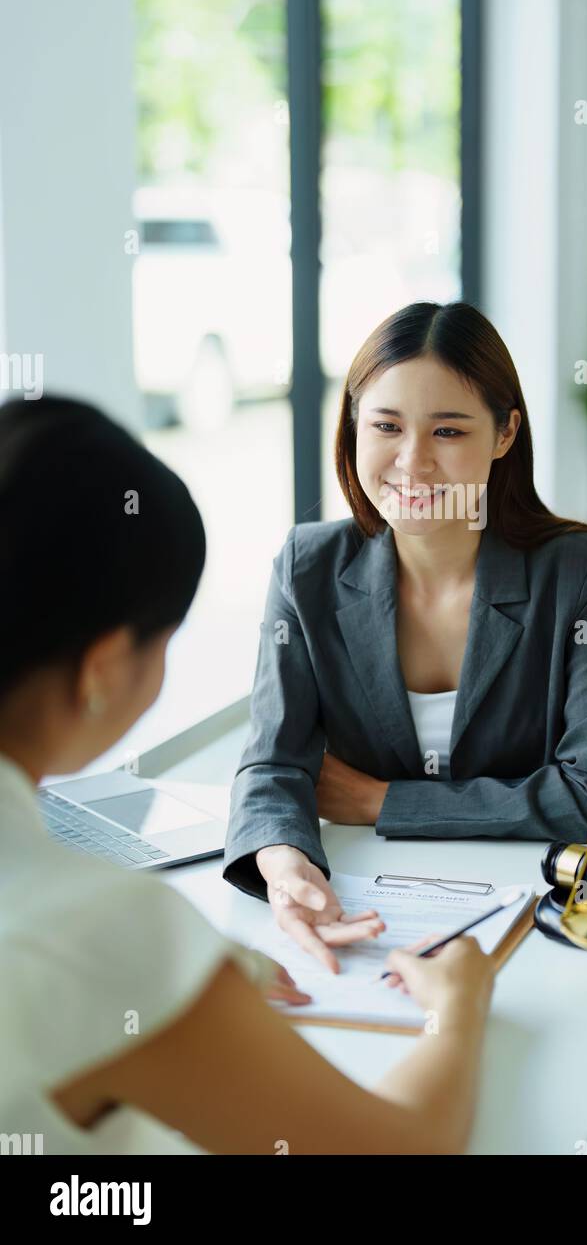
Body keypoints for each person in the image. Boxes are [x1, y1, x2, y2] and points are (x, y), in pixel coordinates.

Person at [0, 395, 494, 1155]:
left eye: (448, 428)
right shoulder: (102, 929)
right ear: (101, 668)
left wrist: (194, 988)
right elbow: (400, 1149)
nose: (414, 456)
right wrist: (458, 1008)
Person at [224, 301, 587, 970]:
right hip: (370, 915)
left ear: (505, 434)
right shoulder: (308, 567)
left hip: (540, 920)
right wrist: (285, 865)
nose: (412, 464)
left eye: (448, 431)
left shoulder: (579, 573)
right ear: (355, 423)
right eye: (386, 425)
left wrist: (379, 800)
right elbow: (273, 766)